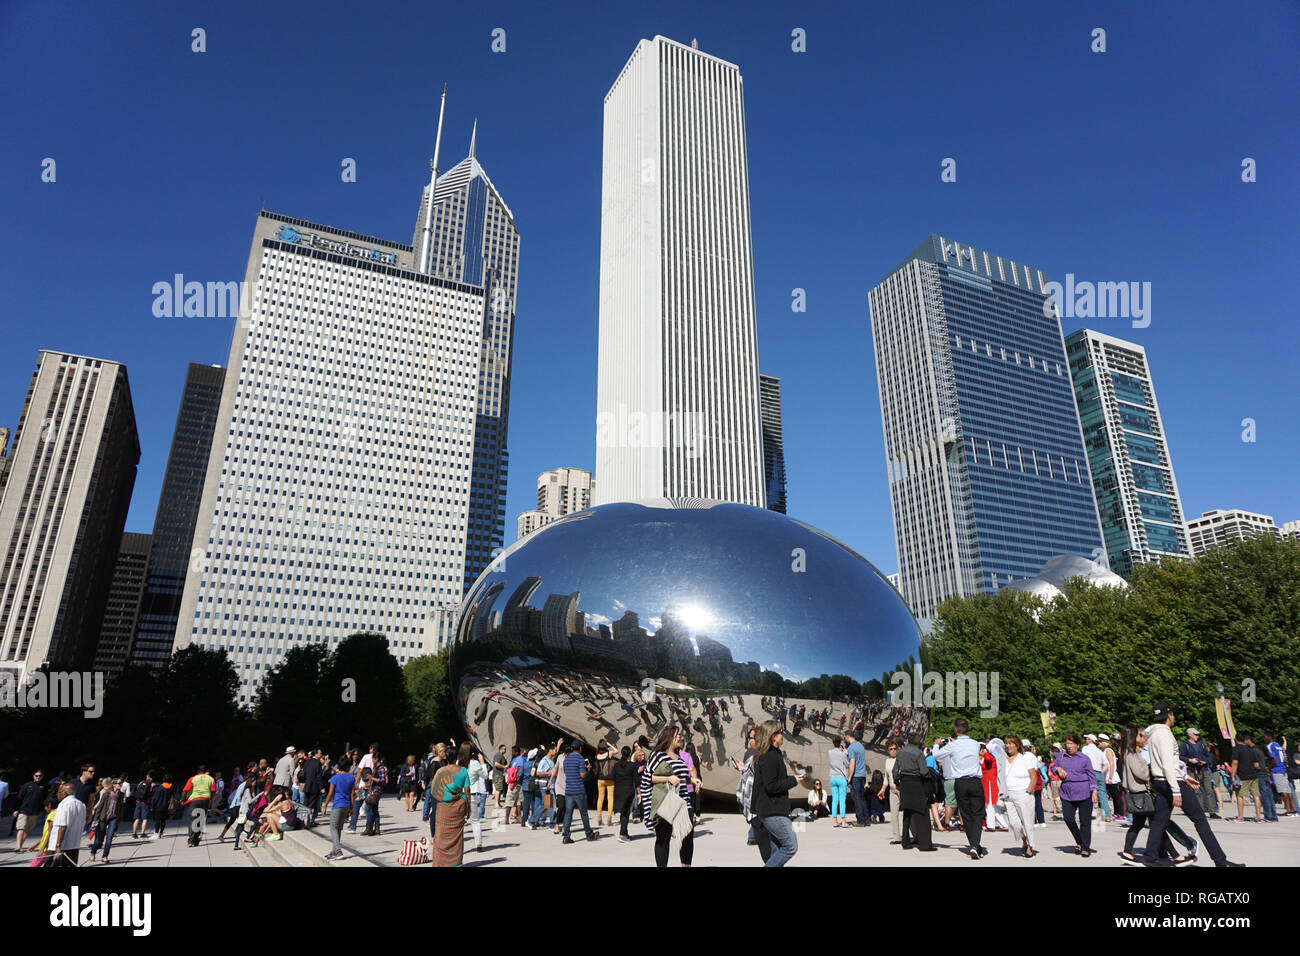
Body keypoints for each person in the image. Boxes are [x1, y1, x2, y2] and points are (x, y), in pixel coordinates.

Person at [1140, 701, 1243, 868]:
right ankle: (1220, 860)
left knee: (1159, 821)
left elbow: (1167, 764)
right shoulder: (1165, 734)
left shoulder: (1152, 735)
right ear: (1169, 715)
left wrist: (1185, 776)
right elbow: (1167, 764)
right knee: (1199, 819)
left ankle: (1150, 857)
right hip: (1172, 782)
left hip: (1161, 781)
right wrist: (1176, 791)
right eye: (1172, 714)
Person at [641, 723, 694, 867]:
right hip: (666, 803)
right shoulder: (658, 756)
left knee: (687, 837)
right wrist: (667, 778)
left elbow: (681, 776)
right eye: (678, 735)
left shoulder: (679, 756)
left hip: (684, 802)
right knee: (663, 839)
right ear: (670, 737)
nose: (680, 738)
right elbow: (648, 778)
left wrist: (693, 780)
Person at [752, 720, 804, 866]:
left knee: (777, 852)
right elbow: (771, 786)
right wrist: (792, 781)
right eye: (780, 732)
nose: (782, 735)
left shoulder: (775, 754)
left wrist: (793, 779)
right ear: (772, 736)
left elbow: (775, 780)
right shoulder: (769, 756)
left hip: (772, 809)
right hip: (772, 810)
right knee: (790, 846)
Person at [934, 719, 986, 860]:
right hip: (975, 781)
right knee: (978, 814)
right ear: (967, 729)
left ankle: (975, 845)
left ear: (956, 730)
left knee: (966, 814)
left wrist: (936, 744)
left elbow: (936, 755)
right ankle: (975, 845)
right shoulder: (975, 744)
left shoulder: (953, 745)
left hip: (960, 782)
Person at [1050, 733, 1097, 857]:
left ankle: (1085, 847)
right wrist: (1058, 769)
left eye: (1071, 743)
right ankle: (1079, 841)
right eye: (1067, 743)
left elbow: (1092, 776)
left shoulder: (1084, 758)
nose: (1069, 746)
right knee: (1068, 818)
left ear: (1078, 745)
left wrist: (1095, 791)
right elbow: (1054, 767)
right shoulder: (1061, 756)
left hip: (1084, 792)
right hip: (1067, 793)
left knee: (1085, 821)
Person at [430, 742, 472, 866]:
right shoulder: (463, 771)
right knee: (457, 838)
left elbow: (434, 790)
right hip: (458, 809)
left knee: (441, 837)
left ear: (446, 757)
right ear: (456, 757)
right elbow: (467, 791)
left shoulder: (441, 771)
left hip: (443, 809)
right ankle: (455, 863)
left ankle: (440, 863)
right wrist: (468, 807)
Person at [893, 732, 936, 851]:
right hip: (917, 783)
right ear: (918, 742)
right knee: (922, 813)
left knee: (907, 813)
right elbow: (923, 772)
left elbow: (895, 771)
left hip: (905, 784)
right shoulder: (919, 753)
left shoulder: (900, 752)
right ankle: (925, 844)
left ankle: (905, 842)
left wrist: (898, 783)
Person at [1001, 735, 1039, 859]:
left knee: (1027, 821)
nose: (1008, 746)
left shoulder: (1024, 759)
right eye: (1006, 743)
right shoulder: (1003, 760)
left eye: (1011, 743)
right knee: (1013, 823)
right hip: (1008, 795)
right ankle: (1024, 839)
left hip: (1023, 793)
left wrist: (1028, 791)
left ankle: (1030, 847)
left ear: (1017, 745)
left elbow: (1034, 776)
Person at [560, 741, 598, 843]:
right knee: (584, 813)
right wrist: (588, 770)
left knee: (568, 814)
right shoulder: (580, 758)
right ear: (580, 748)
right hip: (579, 790)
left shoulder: (566, 759)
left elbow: (566, 772)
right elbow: (582, 775)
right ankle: (589, 834)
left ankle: (566, 837)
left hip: (569, 790)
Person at [88, 778, 128, 864]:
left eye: (120, 783)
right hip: (103, 818)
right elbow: (100, 807)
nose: (120, 785)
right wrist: (95, 820)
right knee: (99, 840)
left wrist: (120, 818)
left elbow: (121, 807)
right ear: (113, 784)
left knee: (109, 839)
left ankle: (104, 856)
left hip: (113, 818)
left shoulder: (121, 794)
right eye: (118, 783)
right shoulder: (107, 793)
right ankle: (93, 852)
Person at [1179, 728, 1217, 816]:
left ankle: (1212, 811)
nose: (1197, 736)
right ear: (1190, 735)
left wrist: (1205, 761)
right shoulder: (1185, 745)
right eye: (1195, 734)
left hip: (1204, 769)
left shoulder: (1202, 745)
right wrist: (1190, 760)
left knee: (1209, 790)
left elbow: (1209, 757)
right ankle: (1201, 811)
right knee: (1197, 791)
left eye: (1197, 735)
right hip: (1192, 770)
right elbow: (1180, 756)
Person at [323, 756, 355, 861]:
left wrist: (325, 805)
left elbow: (330, 793)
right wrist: (352, 807)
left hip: (337, 805)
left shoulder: (335, 778)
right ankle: (333, 851)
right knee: (338, 828)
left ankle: (338, 851)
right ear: (347, 767)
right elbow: (352, 794)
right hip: (346, 805)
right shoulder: (351, 778)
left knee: (333, 827)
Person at [49, 782, 87, 867]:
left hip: (62, 846)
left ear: (64, 793)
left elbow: (62, 827)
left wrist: (58, 846)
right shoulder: (81, 804)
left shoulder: (64, 805)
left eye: (59, 792)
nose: (57, 794)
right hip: (74, 845)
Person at [1231, 732, 1264, 823]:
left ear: (1236, 739)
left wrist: (1233, 775)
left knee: (1240, 795)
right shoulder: (1251, 749)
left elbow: (1235, 763)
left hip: (1243, 776)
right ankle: (1258, 817)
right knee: (1256, 795)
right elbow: (1256, 764)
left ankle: (1240, 817)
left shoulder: (1236, 749)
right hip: (1253, 775)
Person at [13, 769, 48, 853]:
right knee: (21, 828)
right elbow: (19, 798)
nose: (38, 777)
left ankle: (20, 846)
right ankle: (18, 847)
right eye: (36, 775)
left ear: (42, 777)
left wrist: (42, 810)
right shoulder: (27, 785)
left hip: (35, 812)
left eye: (40, 776)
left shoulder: (44, 787)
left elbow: (44, 800)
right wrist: (16, 810)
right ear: (33, 776)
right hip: (23, 810)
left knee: (27, 830)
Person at [181, 765, 215, 847]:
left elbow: (185, 790)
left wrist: (182, 800)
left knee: (192, 820)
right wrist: (210, 799)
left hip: (194, 801)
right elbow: (213, 791)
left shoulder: (193, 778)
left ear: (198, 771)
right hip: (205, 800)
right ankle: (196, 841)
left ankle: (190, 841)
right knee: (200, 820)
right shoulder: (211, 779)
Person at [1264, 733, 1295, 815]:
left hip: (1277, 770)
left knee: (1283, 790)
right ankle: (1293, 809)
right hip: (1283, 769)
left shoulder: (1270, 746)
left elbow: (1274, 759)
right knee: (1288, 790)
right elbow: (1284, 758)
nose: (1264, 739)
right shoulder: (1278, 745)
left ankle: (1288, 810)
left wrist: (1269, 768)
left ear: (1268, 737)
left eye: (1265, 737)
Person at [844, 729, 869, 827]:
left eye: (845, 737)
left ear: (847, 736)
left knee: (857, 799)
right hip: (862, 775)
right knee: (862, 798)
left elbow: (852, 763)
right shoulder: (860, 746)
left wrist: (849, 777)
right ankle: (866, 819)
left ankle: (860, 821)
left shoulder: (851, 747)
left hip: (856, 776)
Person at [613, 746, 637, 841]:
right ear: (630, 754)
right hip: (628, 791)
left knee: (623, 812)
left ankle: (625, 833)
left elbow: (613, 777)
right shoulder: (632, 765)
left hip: (618, 790)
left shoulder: (616, 765)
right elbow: (636, 780)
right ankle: (622, 834)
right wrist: (639, 793)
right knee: (626, 812)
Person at [466, 749, 489, 852]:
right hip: (472, 794)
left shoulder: (459, 763)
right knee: (475, 821)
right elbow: (485, 775)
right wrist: (482, 762)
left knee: (458, 822)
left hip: (460, 795)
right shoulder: (474, 763)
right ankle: (478, 844)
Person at [827, 735, 849, 828]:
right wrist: (846, 753)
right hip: (841, 777)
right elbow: (847, 765)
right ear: (840, 743)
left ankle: (835, 821)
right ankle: (843, 821)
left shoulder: (830, 752)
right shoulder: (842, 753)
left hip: (833, 777)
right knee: (842, 800)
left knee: (834, 800)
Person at [594, 739, 617, 827]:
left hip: (600, 779)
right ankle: (609, 819)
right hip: (610, 779)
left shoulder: (597, 756)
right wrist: (610, 744)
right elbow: (616, 751)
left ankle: (599, 818)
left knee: (600, 798)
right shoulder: (609, 754)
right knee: (610, 798)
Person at [883, 738, 902, 843]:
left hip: (901, 789)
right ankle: (897, 838)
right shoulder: (887, 761)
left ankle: (916, 835)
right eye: (891, 749)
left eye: (895, 748)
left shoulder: (900, 759)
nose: (893, 750)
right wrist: (883, 789)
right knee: (894, 814)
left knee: (908, 813)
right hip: (892, 790)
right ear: (888, 750)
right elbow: (886, 777)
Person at [149, 773, 174, 839]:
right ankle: (161, 833)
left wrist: (152, 805)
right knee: (163, 820)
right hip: (166, 806)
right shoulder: (171, 787)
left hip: (158, 806)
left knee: (157, 820)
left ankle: (156, 834)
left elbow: (155, 798)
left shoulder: (160, 787)